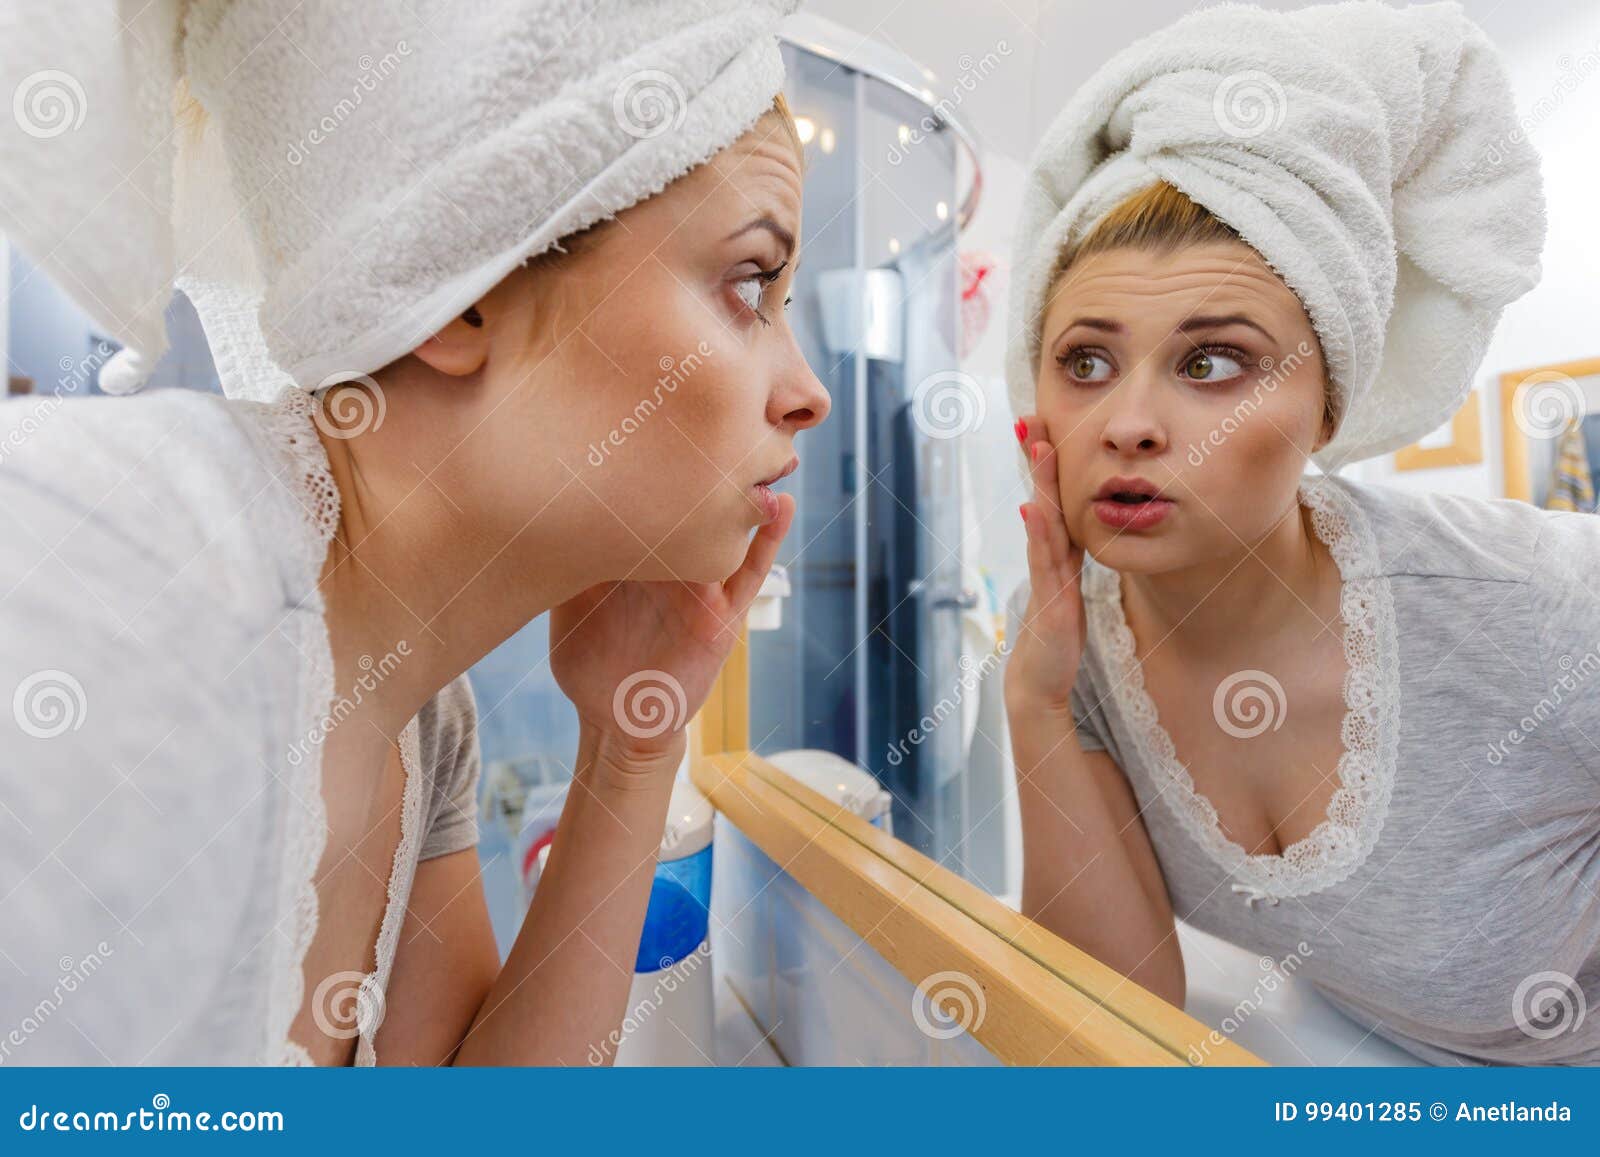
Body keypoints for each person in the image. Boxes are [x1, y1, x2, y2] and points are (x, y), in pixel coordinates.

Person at [0, 0, 829, 1065]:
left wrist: (632, 746)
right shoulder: (111, 566)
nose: (807, 391)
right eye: (751, 283)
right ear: (458, 289)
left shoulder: (423, 717)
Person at [1001, 1, 1600, 1065]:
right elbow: (1109, 1019)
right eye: (1084, 362)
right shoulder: (1064, 634)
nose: (1126, 421)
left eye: (1210, 362)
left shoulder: (1545, 611)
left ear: (1330, 404)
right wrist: (1036, 702)